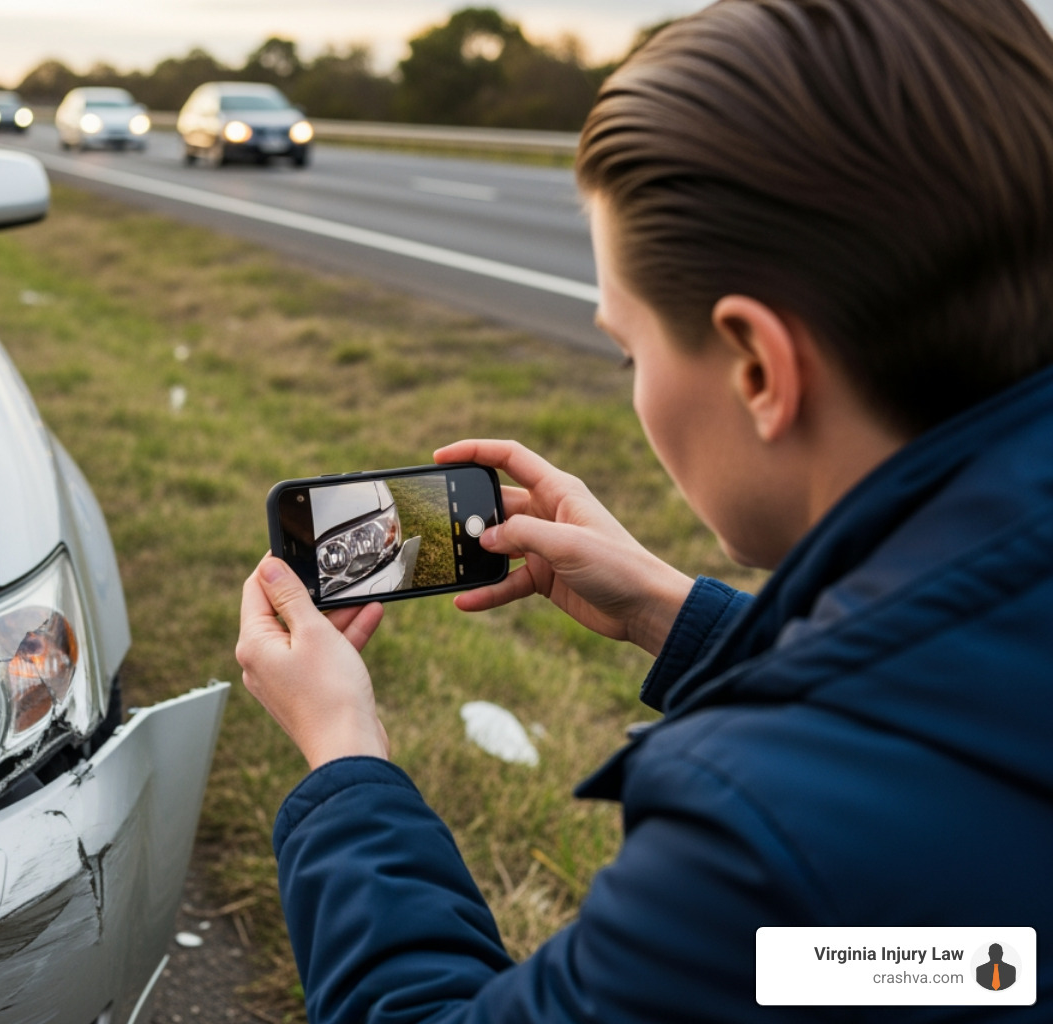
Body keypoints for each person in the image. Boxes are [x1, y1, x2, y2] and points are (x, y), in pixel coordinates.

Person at [234, 0, 1053, 1020]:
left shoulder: (761, 840)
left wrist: (345, 756)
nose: (632, 380)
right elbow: (968, 937)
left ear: (757, 365)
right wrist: (676, 616)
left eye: (629, 350)